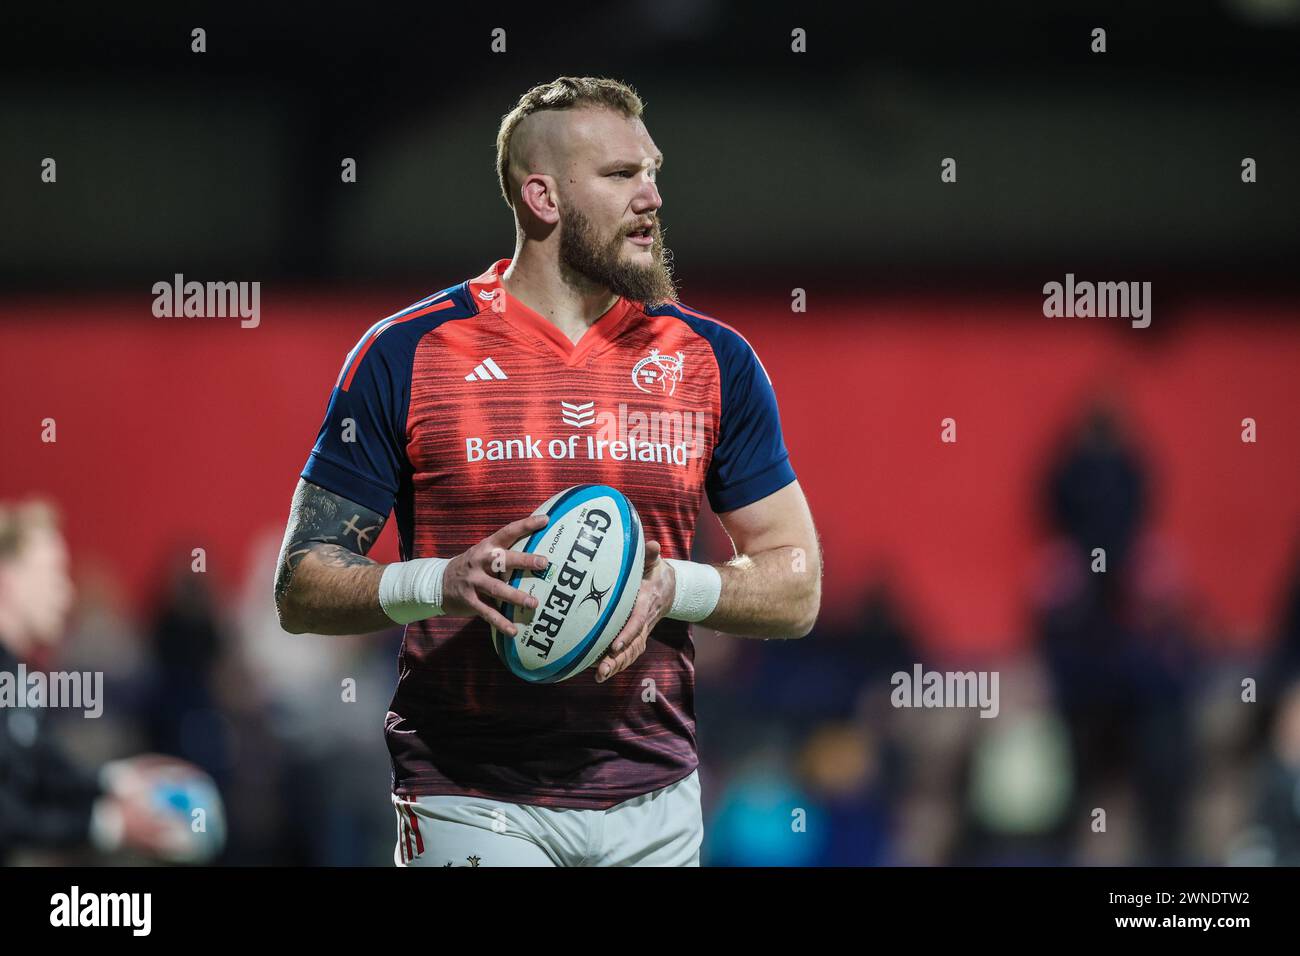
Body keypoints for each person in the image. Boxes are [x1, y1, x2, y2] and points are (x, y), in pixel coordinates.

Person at [274, 76, 821, 867]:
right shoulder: (408, 352)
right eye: (620, 175)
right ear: (542, 197)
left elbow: (796, 584)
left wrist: (677, 587)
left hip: (657, 806)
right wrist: (440, 582)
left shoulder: (712, 360)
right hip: (469, 794)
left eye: (652, 171)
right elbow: (301, 584)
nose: (653, 197)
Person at [0, 499, 217, 864]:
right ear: (8, 577)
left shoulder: (15, 677)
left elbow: (39, 766)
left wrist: (119, 779)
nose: (65, 593)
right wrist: (113, 823)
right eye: (53, 573)